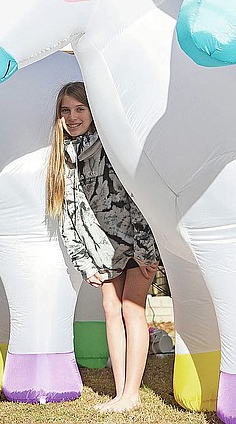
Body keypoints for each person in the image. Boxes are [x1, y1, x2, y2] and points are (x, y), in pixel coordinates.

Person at [46, 82, 161, 413]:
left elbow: (136, 197)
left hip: (135, 241)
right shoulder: (63, 157)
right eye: (66, 111)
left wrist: (144, 248)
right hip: (100, 246)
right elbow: (65, 214)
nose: (73, 117)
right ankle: (120, 391)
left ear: (93, 112)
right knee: (112, 309)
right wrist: (83, 261)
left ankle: (132, 393)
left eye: (80, 109)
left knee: (132, 308)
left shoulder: (110, 146)